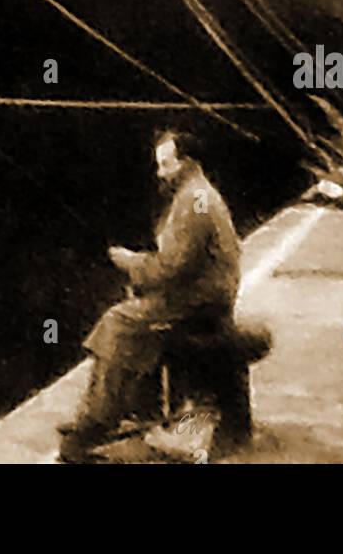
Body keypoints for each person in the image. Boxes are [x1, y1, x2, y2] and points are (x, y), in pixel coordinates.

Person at [58, 128, 242, 463]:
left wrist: (130, 262)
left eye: (166, 165)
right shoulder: (198, 194)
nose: (160, 173)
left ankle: (96, 423)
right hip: (203, 294)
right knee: (125, 314)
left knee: (118, 323)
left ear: (186, 163)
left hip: (200, 303)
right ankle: (106, 409)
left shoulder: (193, 201)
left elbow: (172, 267)